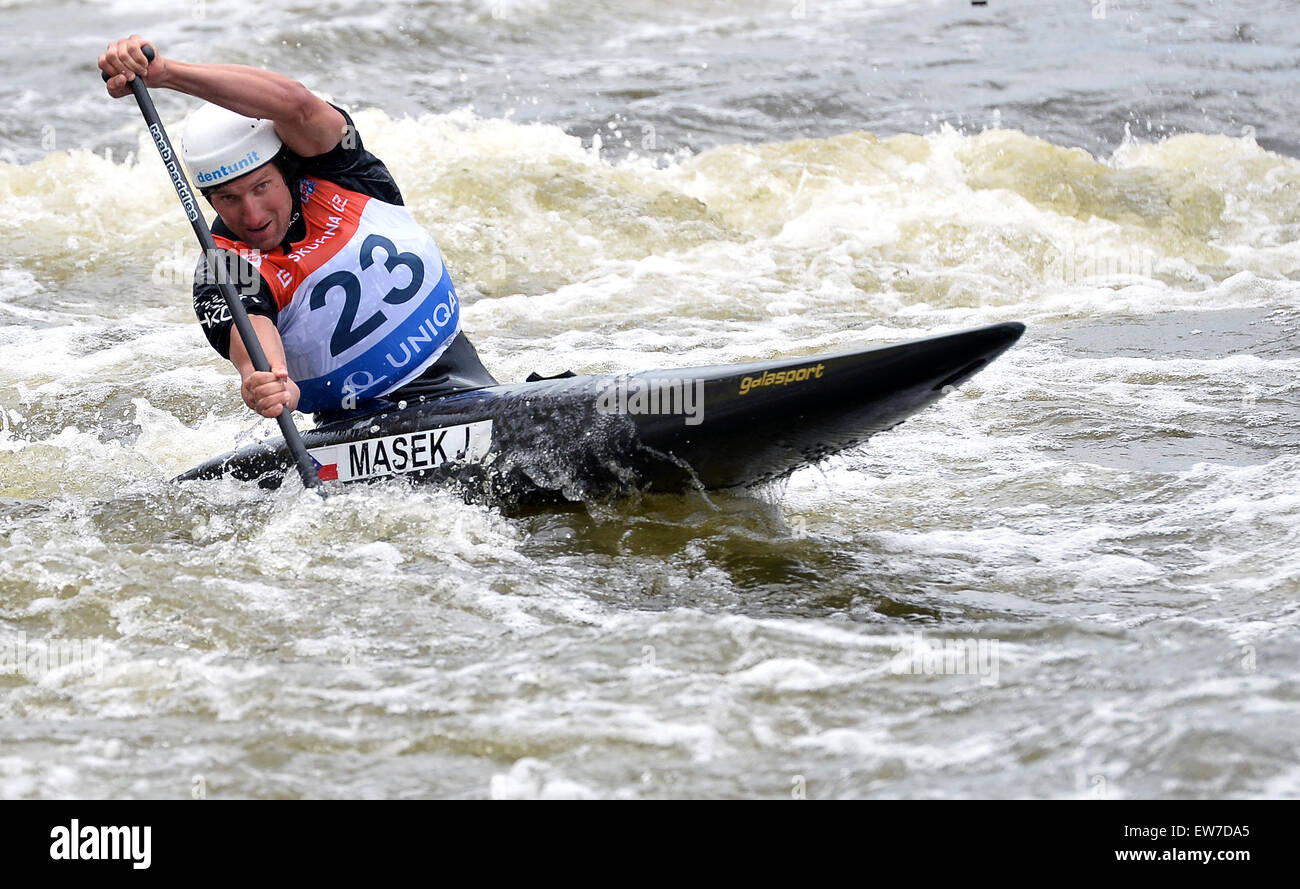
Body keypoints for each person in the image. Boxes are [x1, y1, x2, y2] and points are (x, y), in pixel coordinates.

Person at [97, 35, 497, 423]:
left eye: (261, 187)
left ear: (285, 170)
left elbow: (295, 104)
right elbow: (255, 347)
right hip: (357, 427)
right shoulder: (225, 268)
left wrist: (166, 73)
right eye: (228, 198)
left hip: (469, 387)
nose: (252, 215)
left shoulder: (343, 170)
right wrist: (271, 383)